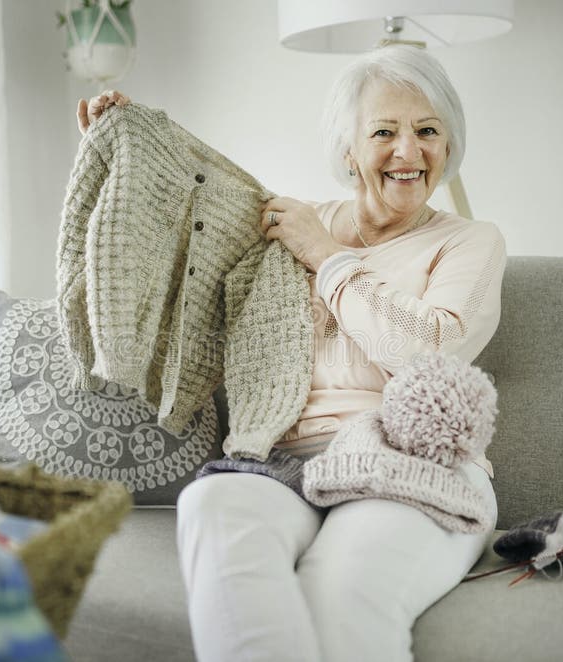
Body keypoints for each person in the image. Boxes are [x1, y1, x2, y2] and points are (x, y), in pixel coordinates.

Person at [78, 45, 506, 662]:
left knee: (336, 592)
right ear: (348, 150)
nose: (408, 152)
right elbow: (175, 250)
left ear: (448, 144)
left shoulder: (471, 242)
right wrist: (118, 150)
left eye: (428, 131)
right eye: (384, 131)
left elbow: (427, 351)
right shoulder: (292, 219)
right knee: (210, 504)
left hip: (410, 458)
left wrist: (329, 259)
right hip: (282, 460)